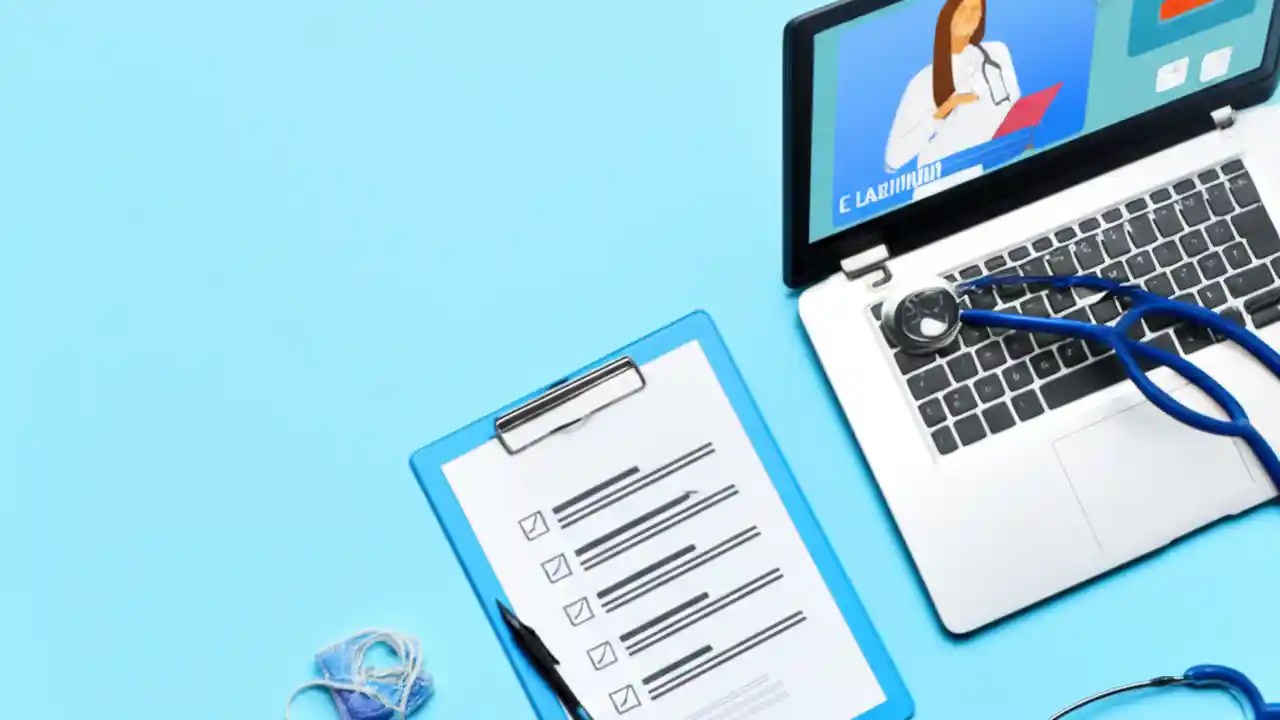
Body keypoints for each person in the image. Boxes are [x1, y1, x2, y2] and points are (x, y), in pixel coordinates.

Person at [885, 0, 1022, 197]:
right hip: (940, 194)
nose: (969, 16)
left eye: (975, 10)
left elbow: (1013, 102)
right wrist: (943, 111)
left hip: (994, 178)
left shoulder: (996, 54)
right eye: (962, 10)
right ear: (947, 15)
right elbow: (894, 159)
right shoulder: (923, 82)